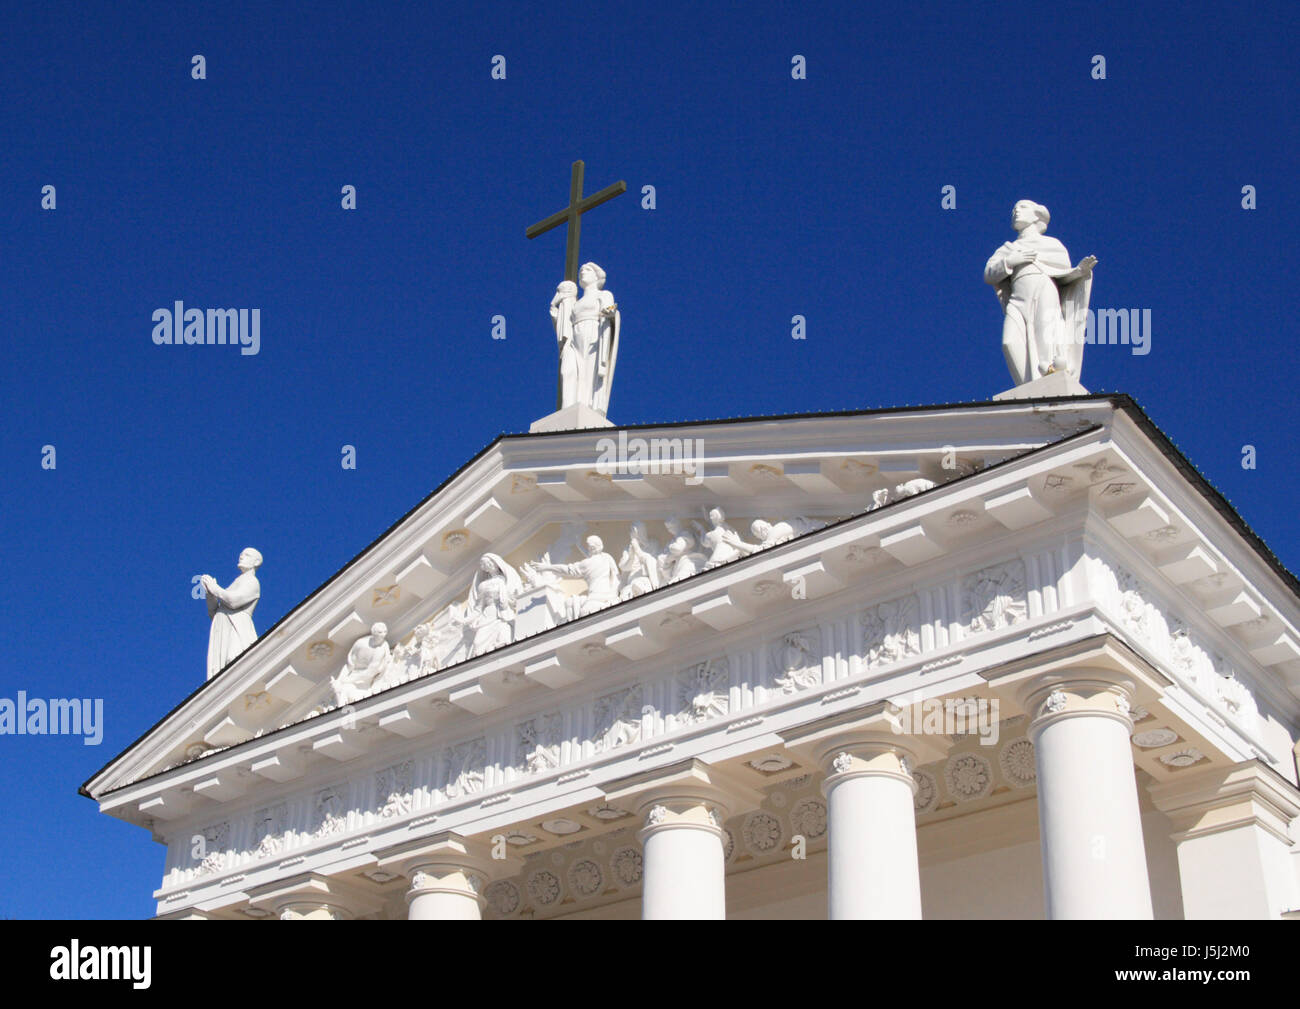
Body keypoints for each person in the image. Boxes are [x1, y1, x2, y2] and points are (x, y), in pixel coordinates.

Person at [984, 200, 1096, 385]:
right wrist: (1011, 261)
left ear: (1037, 216)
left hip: (1044, 290)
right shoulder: (1008, 249)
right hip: (1017, 299)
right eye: (1014, 209)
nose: (1016, 212)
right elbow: (989, 275)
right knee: (1010, 343)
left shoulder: (1052, 244)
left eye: (1022, 208)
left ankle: (1047, 379)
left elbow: (1062, 276)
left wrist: (1079, 271)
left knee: (1045, 340)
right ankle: (1027, 387)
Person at [199, 548, 262, 679]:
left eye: (247, 555)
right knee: (222, 670)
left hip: (237, 628)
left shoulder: (252, 581)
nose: (241, 557)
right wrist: (209, 593)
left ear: (256, 562)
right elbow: (214, 612)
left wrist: (214, 588)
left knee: (234, 660)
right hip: (223, 629)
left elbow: (233, 601)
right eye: (241, 555)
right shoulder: (237, 581)